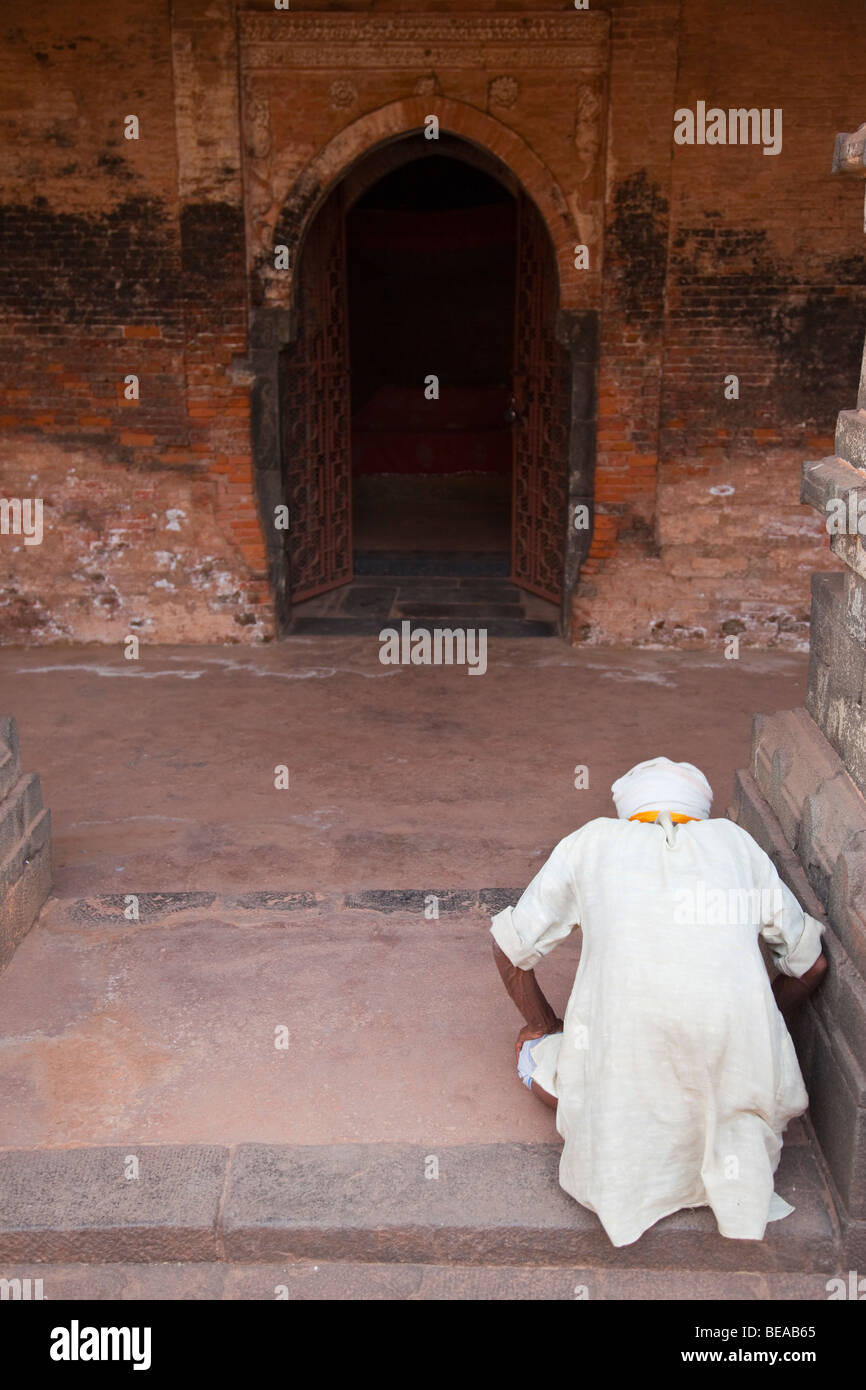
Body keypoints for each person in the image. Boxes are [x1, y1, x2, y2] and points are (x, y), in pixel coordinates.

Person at [490, 756, 827, 1248]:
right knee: (732, 1080)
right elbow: (811, 965)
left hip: (627, 1064)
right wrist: (761, 1013)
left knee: (543, 1064)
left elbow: (509, 946)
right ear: (701, 812)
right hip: (733, 1062)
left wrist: (544, 1023)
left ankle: (618, 1139)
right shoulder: (736, 844)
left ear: (630, 810)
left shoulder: (592, 842)